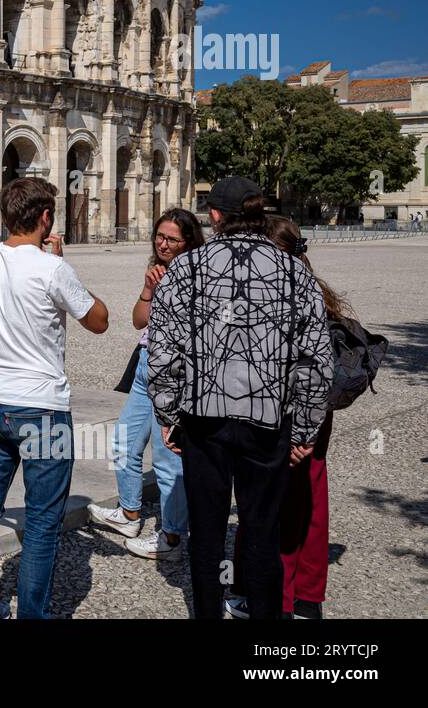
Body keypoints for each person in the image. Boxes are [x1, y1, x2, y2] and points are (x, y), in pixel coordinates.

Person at [147, 176, 333, 620]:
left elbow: (161, 353)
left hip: (204, 418)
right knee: (263, 532)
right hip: (268, 421)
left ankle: (208, 613)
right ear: (258, 214)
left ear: (214, 216)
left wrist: (169, 415)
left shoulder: (186, 270)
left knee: (207, 535)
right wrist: (305, 428)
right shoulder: (292, 270)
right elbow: (316, 360)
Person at [0, 177, 109, 619]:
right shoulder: (52, 269)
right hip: (42, 409)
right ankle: (32, 613)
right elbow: (99, 321)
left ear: (5, 215)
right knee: (44, 521)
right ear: (46, 218)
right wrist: (67, 271)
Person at [225, 215, 350, 619]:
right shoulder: (314, 288)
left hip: (277, 411)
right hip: (314, 410)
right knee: (309, 501)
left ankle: (261, 593)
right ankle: (307, 599)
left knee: (261, 502)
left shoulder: (276, 288)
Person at [88, 208, 205, 560]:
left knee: (169, 458)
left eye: (172, 239)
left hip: (174, 371)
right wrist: (148, 288)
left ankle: (170, 535)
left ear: (188, 242)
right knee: (125, 441)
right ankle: (129, 513)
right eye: (160, 236)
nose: (164, 244)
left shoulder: (199, 274)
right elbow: (140, 321)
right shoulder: (156, 271)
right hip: (145, 364)